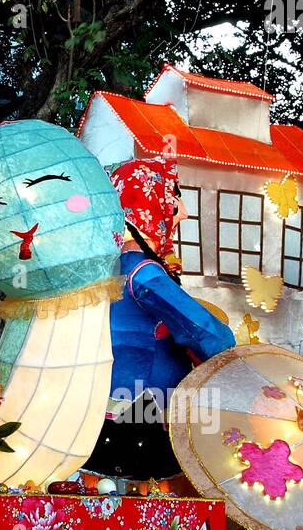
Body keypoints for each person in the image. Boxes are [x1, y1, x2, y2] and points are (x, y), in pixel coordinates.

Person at [85, 158, 236, 479]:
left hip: (103, 408)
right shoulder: (146, 275)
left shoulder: (107, 274)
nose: (181, 212)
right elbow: (209, 335)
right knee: (153, 502)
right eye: (172, 199)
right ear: (151, 209)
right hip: (145, 413)